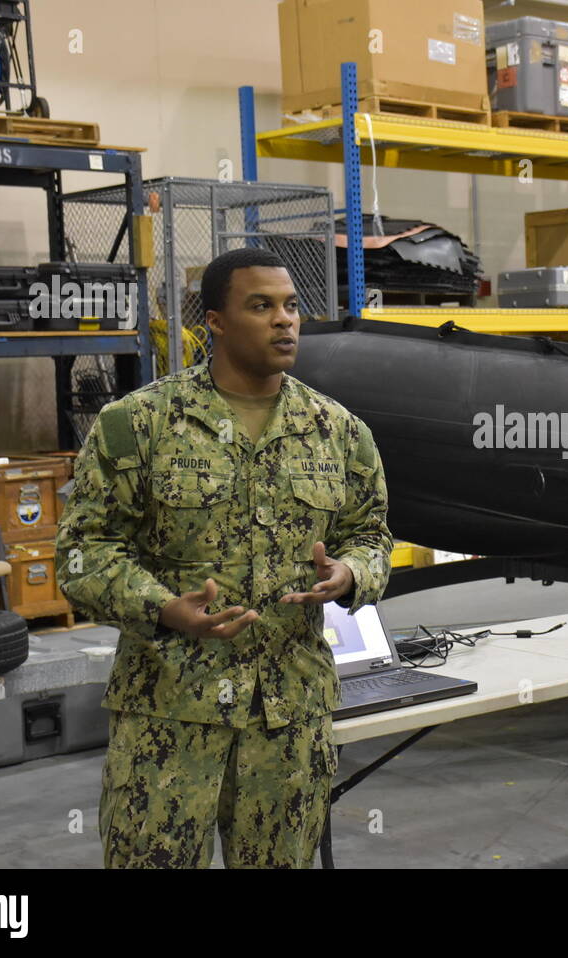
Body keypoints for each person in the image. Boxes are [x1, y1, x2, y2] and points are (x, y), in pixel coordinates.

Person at [56, 247, 393, 868]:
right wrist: (163, 609)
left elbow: (371, 534)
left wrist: (350, 575)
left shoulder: (338, 430)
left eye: (291, 307)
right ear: (213, 321)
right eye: (261, 306)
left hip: (289, 715)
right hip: (170, 711)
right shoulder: (139, 423)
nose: (284, 321)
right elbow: (82, 554)